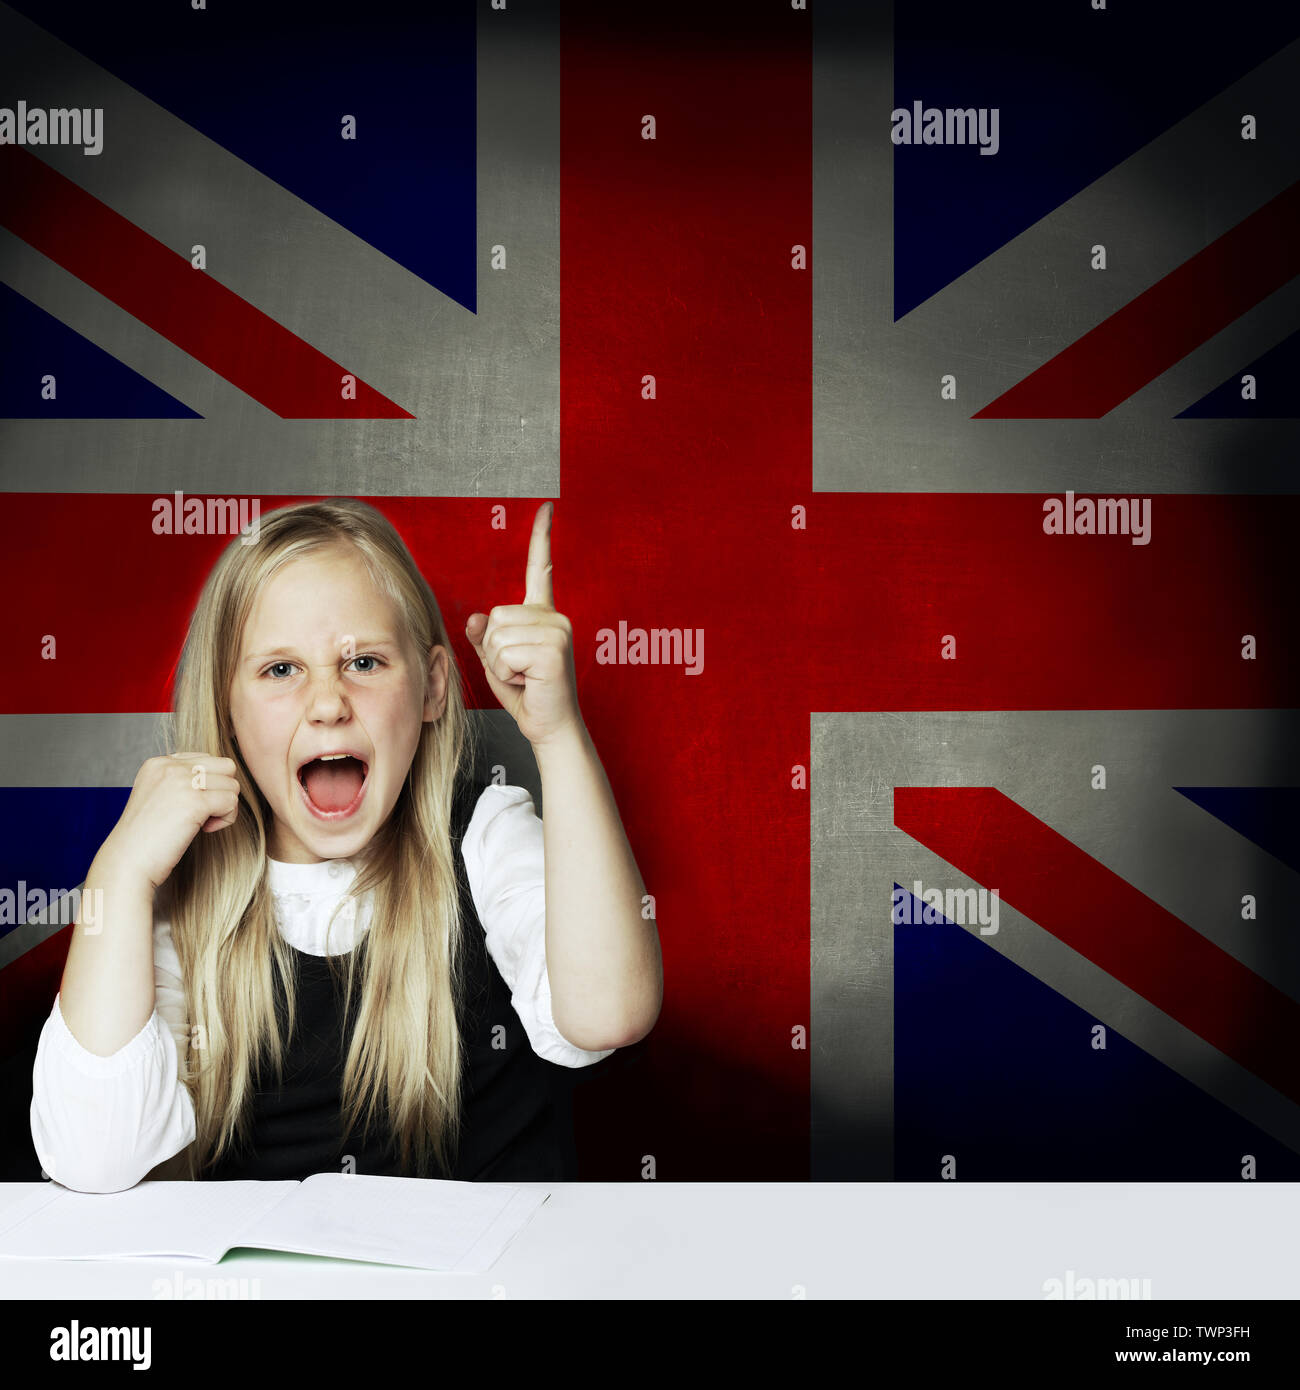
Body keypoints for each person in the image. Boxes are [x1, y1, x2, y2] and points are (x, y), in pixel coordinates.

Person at [30, 497, 662, 1191]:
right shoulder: (181, 887)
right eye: (280, 670)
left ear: (433, 689)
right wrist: (118, 876)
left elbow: (610, 1014)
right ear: (227, 711)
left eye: (363, 662)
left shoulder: (484, 833)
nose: (328, 703)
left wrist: (556, 734)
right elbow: (94, 1161)